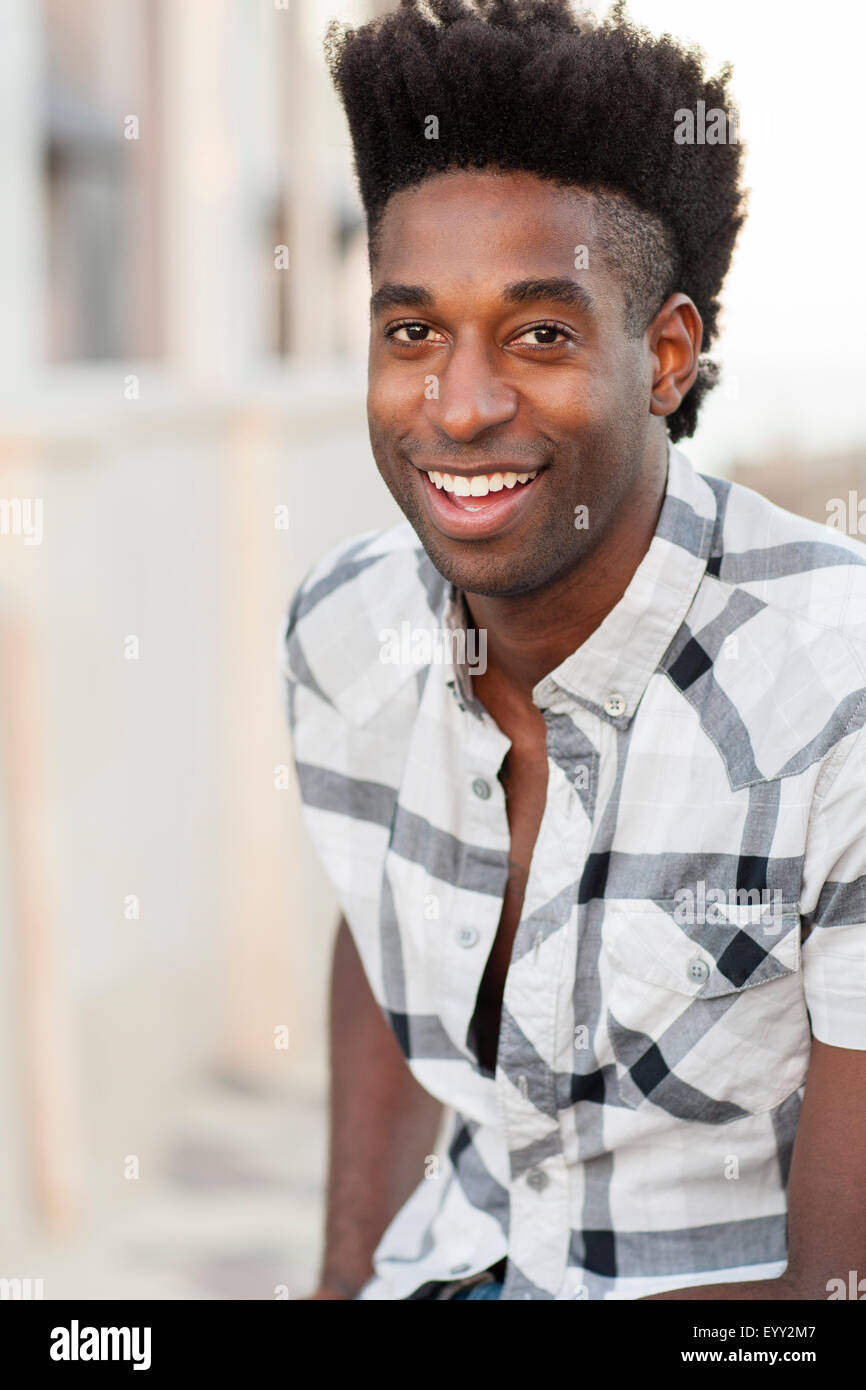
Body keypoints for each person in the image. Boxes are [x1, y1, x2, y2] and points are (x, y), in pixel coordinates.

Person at [278, 0, 866, 1300]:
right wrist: (338, 1278)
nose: (461, 403)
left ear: (663, 357)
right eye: (411, 332)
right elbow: (381, 907)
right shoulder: (343, 631)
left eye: (539, 333)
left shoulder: (836, 697)